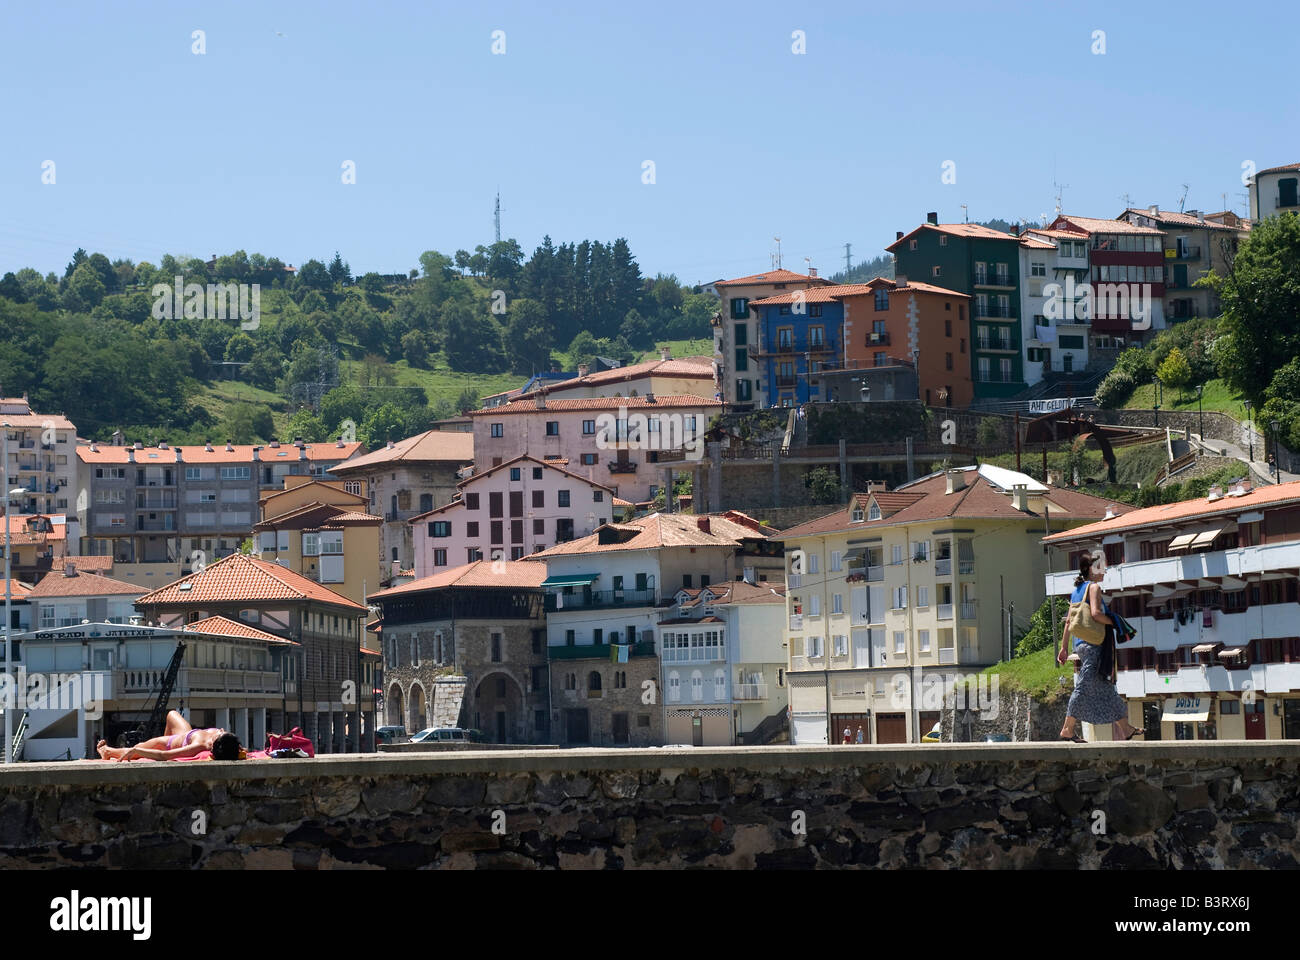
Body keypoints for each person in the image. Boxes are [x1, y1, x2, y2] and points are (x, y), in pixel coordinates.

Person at [1058, 554, 1143, 743]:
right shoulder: (1094, 587)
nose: (1105, 570)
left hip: (1081, 645)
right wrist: (1114, 621)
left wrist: (1064, 648)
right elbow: (1096, 614)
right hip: (1095, 645)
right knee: (1082, 688)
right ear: (1092, 569)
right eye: (1102, 567)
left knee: (1106, 688)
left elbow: (1069, 621)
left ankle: (1126, 728)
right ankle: (1067, 728)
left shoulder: (1077, 590)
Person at [96, 710, 244, 761]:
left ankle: (107, 752)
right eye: (222, 731)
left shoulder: (198, 746)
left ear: (212, 746)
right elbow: (239, 749)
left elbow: (164, 756)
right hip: (186, 733)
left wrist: (139, 751)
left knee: (136, 749)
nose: (221, 730)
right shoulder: (226, 739)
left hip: (168, 744)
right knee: (172, 714)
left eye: (220, 734)